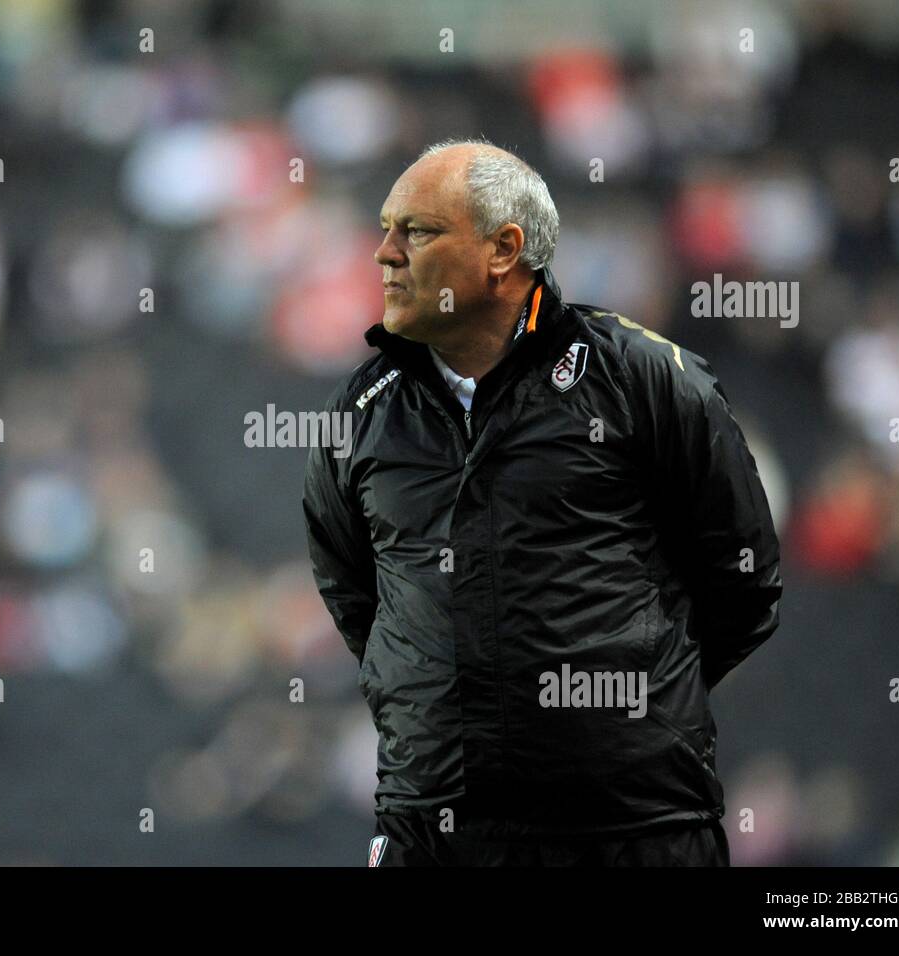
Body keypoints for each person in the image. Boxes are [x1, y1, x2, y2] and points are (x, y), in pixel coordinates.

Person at [302, 138, 783, 866]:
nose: (385, 254)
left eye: (418, 231)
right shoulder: (360, 411)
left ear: (504, 250)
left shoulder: (646, 379)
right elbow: (356, 597)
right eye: (386, 229)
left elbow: (742, 585)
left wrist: (629, 702)